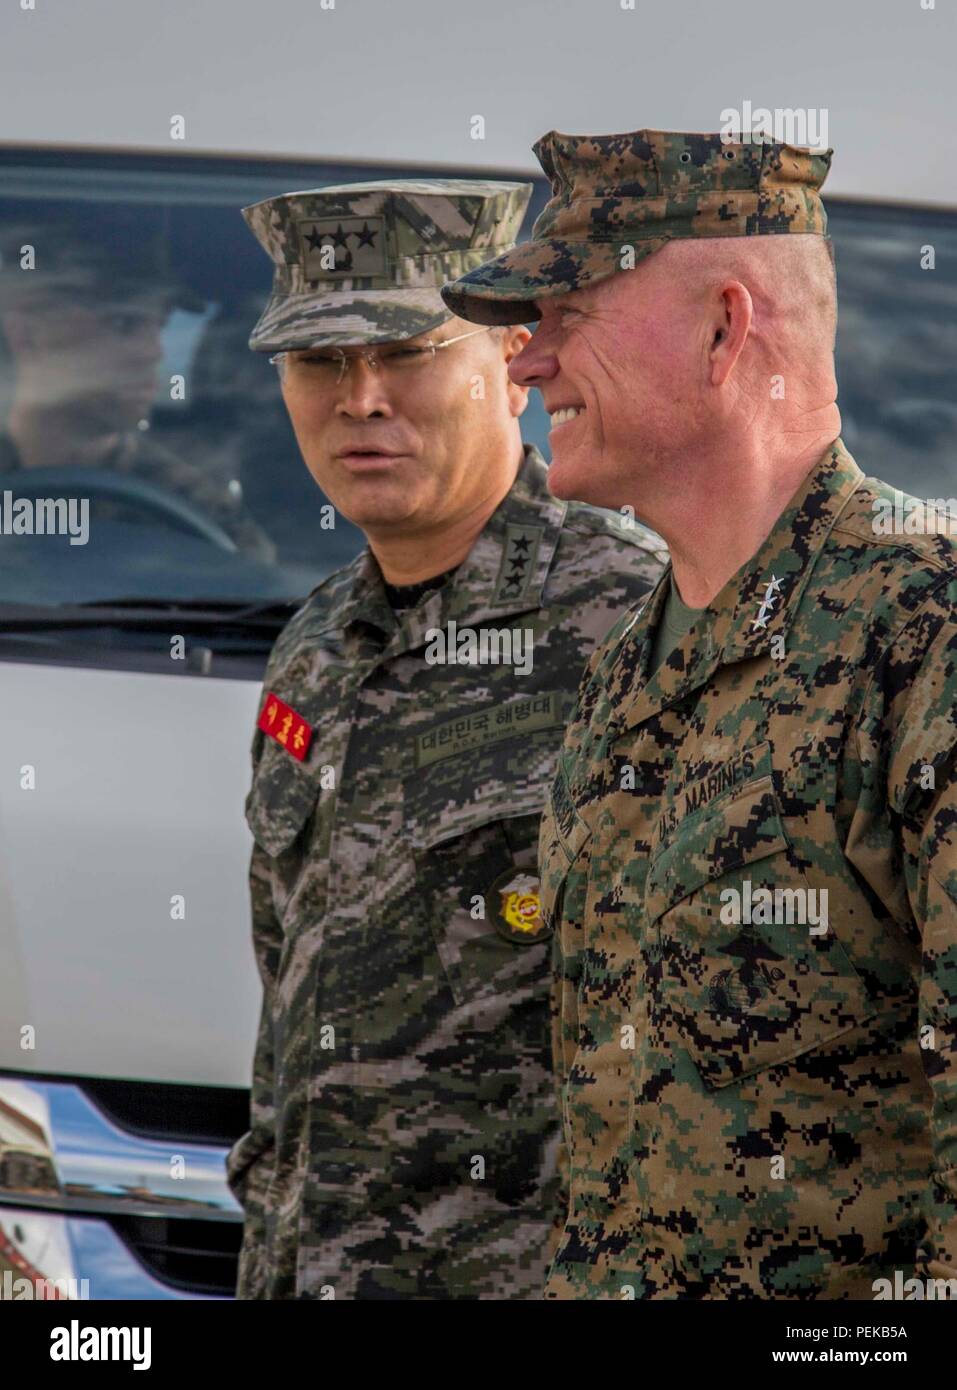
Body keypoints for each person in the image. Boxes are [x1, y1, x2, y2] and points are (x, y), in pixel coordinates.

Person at [444, 127, 957, 1299]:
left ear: (727, 330)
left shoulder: (925, 631)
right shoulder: (632, 668)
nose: (526, 363)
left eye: (571, 311)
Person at [224, 177, 667, 1299]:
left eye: (409, 354)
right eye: (321, 363)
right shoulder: (318, 646)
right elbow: (289, 1008)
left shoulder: (636, 625)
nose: (361, 401)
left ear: (514, 359)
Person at [0, 225, 274, 559]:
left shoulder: (194, 504)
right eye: (123, 324)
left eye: (160, 325)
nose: (154, 352)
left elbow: (261, 594)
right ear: (26, 336)